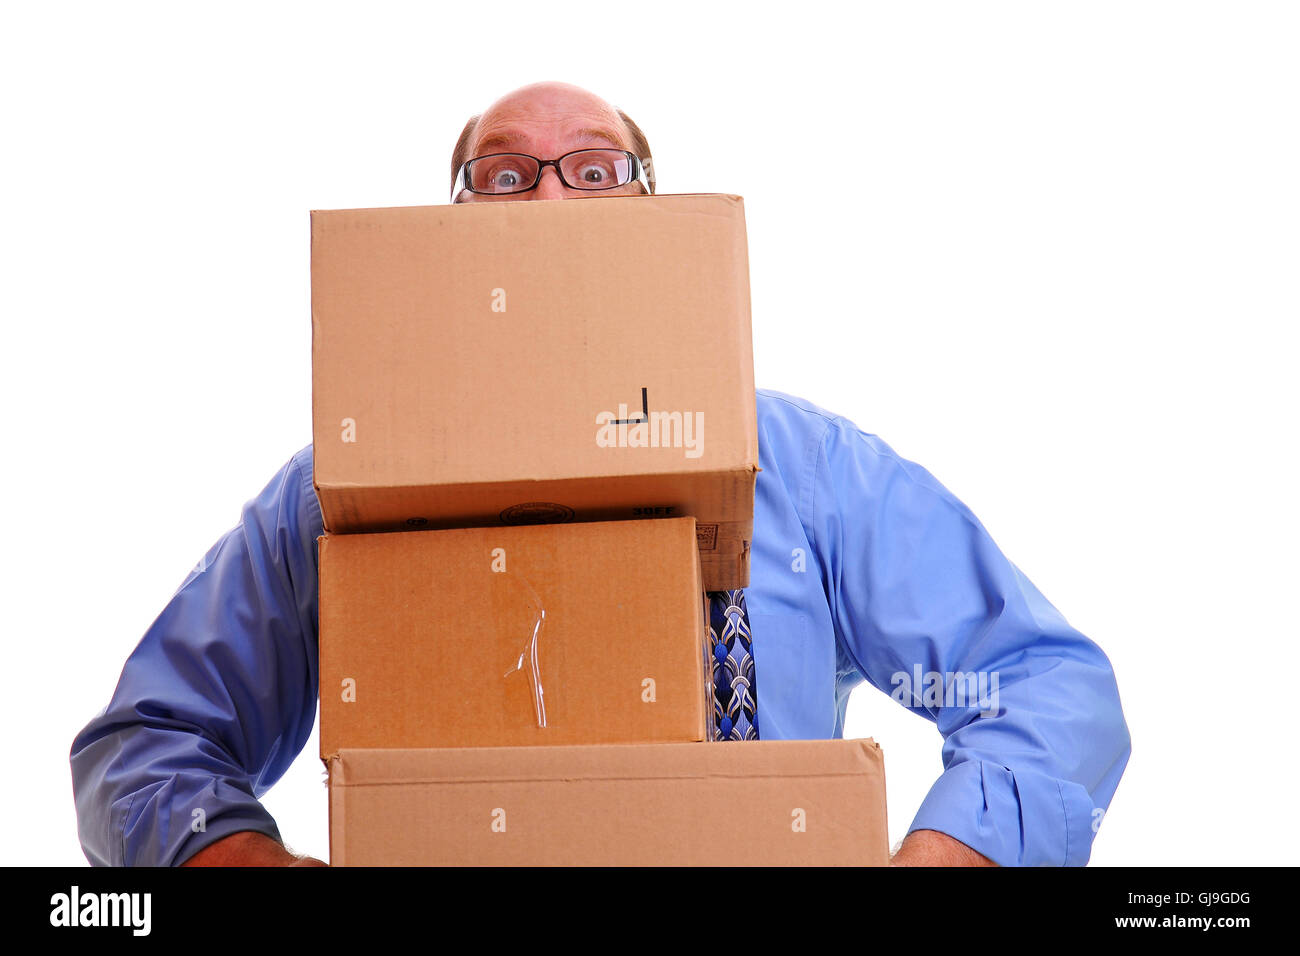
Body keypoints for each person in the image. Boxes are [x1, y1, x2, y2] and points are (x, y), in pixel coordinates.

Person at [70, 81, 1131, 867]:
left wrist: (949, 855)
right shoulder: (337, 490)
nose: (545, 200)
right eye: (500, 172)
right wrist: (237, 861)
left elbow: (1046, 686)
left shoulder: (803, 469)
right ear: (451, 238)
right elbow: (147, 740)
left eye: (593, 168)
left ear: (652, 220)